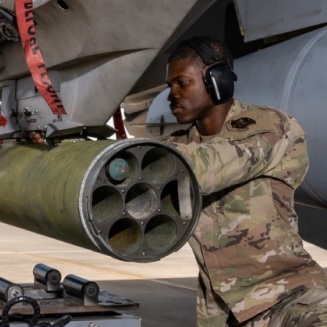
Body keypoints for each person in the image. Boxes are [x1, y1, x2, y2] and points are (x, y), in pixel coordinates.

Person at [160, 36, 327, 326]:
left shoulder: (269, 126)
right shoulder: (176, 146)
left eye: (182, 83)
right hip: (222, 313)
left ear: (217, 79)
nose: (171, 94)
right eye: (169, 86)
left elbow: (210, 167)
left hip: (289, 296)